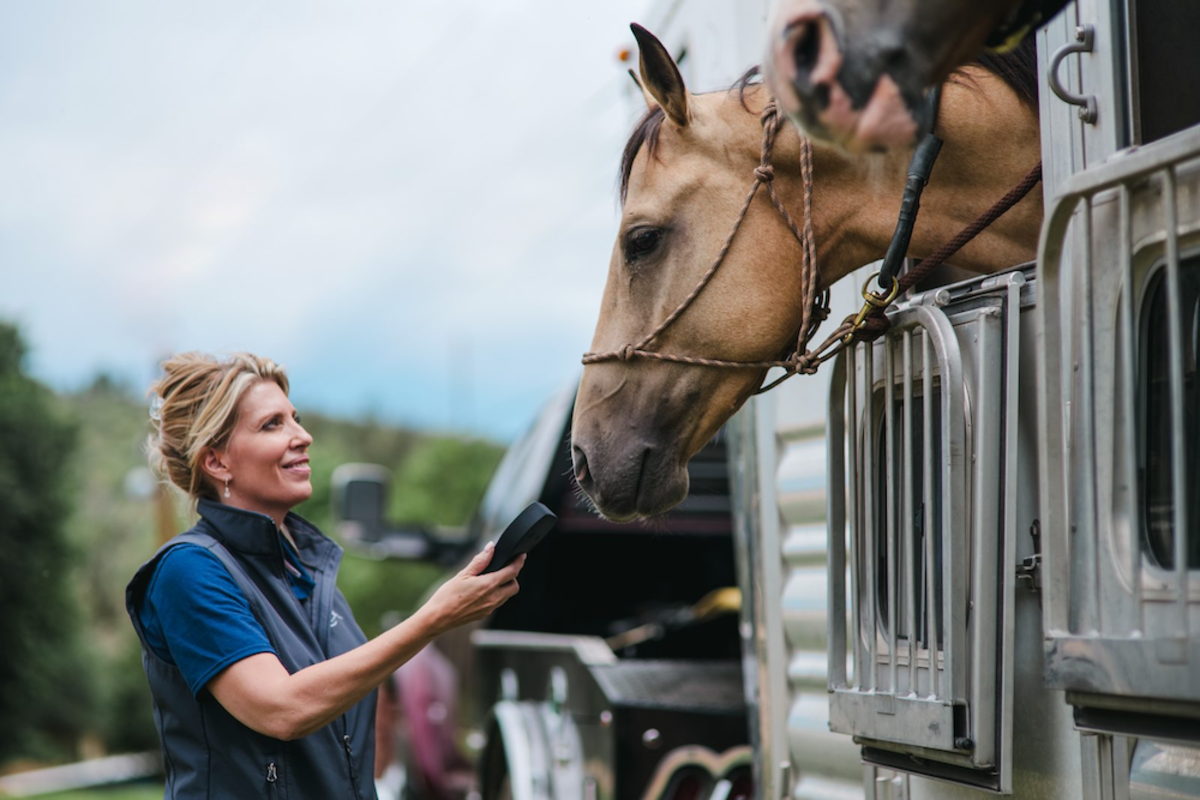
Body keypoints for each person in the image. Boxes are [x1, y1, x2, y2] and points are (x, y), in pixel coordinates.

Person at [125, 352, 525, 799]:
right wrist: (432, 619)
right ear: (217, 462)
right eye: (272, 424)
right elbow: (283, 709)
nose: (303, 436)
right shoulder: (189, 570)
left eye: (294, 418)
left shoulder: (309, 574)